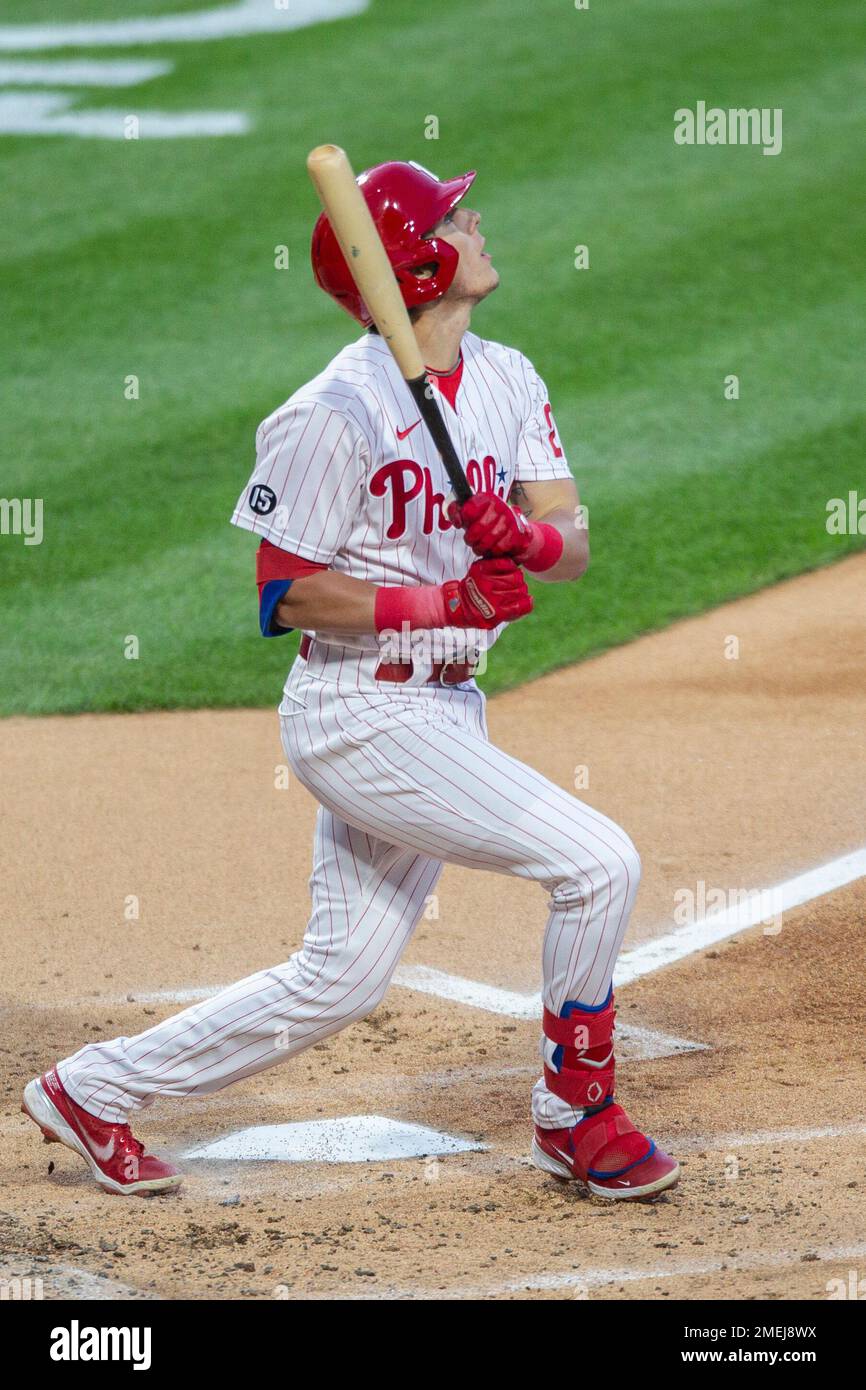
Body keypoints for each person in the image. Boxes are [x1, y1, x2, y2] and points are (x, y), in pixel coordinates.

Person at [23, 160, 678, 1201]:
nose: (477, 220)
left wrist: (524, 540)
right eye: (456, 216)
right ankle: (575, 1116)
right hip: (357, 712)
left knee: (338, 977)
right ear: (418, 260)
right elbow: (281, 594)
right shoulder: (336, 411)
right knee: (597, 863)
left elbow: (573, 538)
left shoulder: (506, 376)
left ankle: (88, 1089)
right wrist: (438, 604)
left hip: (443, 708)